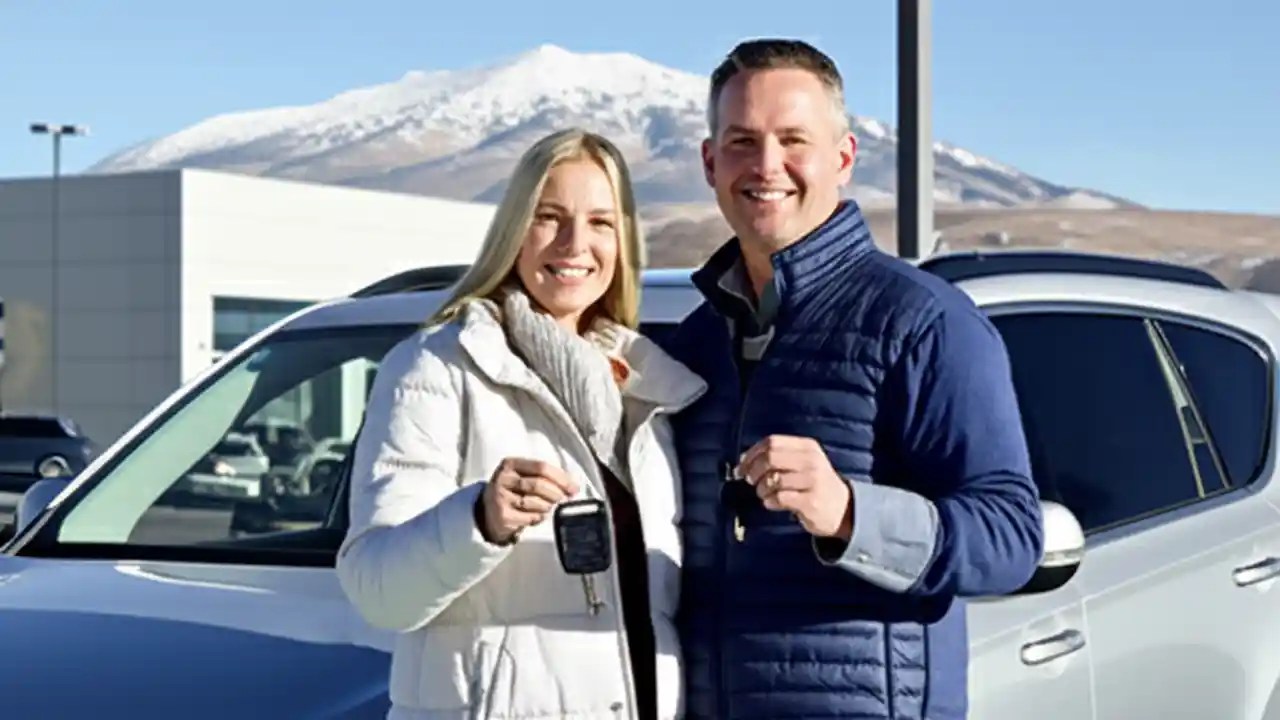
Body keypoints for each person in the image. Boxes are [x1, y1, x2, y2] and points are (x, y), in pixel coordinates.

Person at [660, 39, 1045, 719]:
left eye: (793, 139)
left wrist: (849, 513)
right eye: (743, 141)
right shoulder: (690, 345)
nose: (766, 165)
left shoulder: (924, 323)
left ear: (843, 157)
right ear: (710, 161)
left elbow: (1012, 537)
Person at [336, 128, 707, 720]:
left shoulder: (648, 388)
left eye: (600, 223)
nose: (574, 244)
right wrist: (479, 521)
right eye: (549, 216)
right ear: (514, 229)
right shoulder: (437, 367)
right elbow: (375, 590)